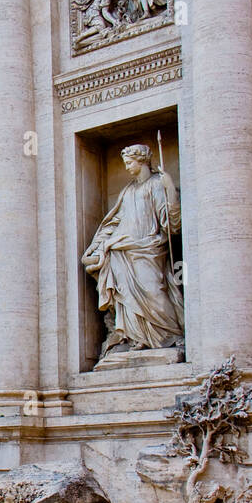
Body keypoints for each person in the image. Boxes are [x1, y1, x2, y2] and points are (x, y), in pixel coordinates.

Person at [82, 144, 184, 356]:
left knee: (154, 291)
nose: (127, 167)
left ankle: (172, 334)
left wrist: (170, 189)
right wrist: (96, 246)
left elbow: (171, 223)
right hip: (121, 250)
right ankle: (137, 337)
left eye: (130, 163)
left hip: (149, 248)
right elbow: (115, 222)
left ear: (142, 161)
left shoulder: (157, 184)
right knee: (126, 296)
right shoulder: (127, 191)